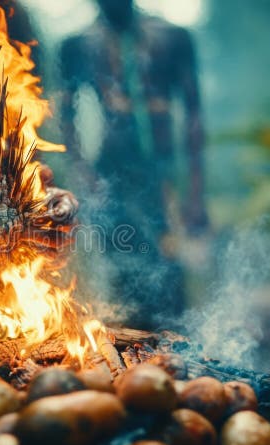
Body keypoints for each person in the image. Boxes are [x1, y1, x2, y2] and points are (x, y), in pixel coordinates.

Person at [59, 0, 208, 326]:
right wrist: (86, 177)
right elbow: (65, 118)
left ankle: (178, 356)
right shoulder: (78, 46)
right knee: (123, 273)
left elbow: (194, 116)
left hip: (161, 176)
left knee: (169, 270)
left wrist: (195, 195)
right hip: (112, 177)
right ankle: (135, 358)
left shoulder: (173, 37)